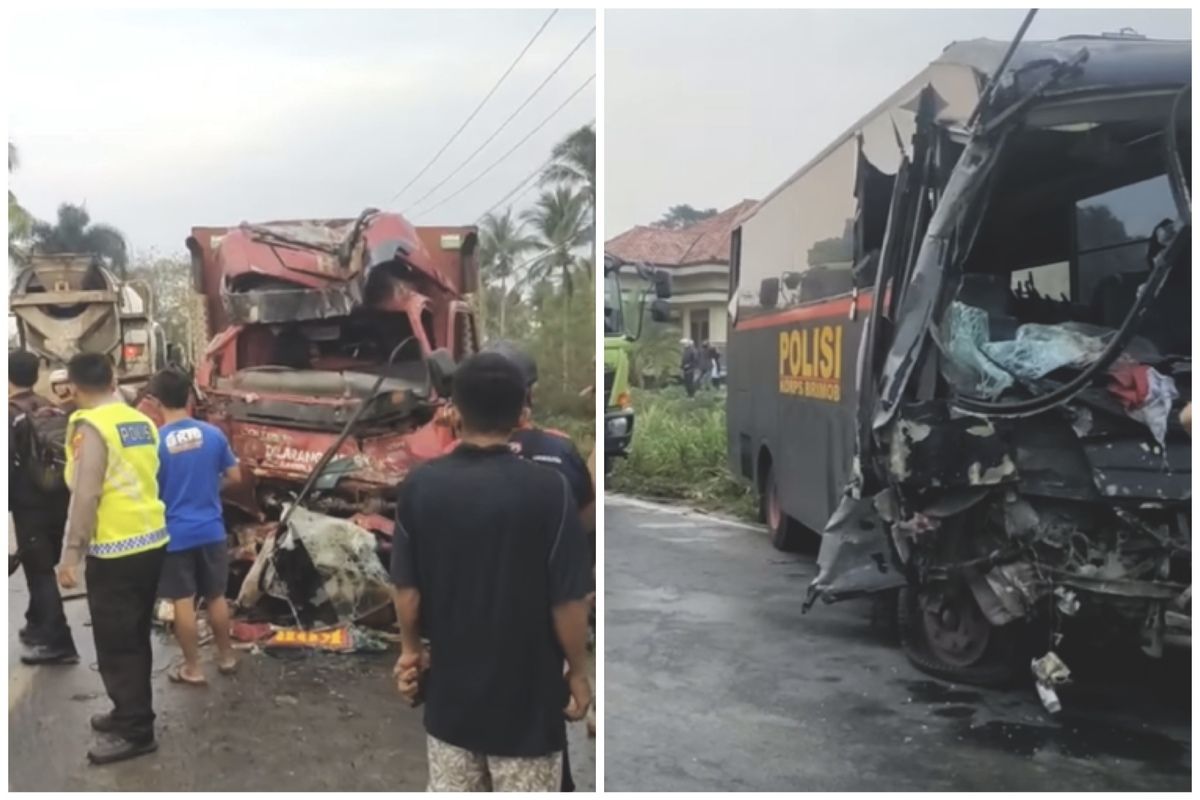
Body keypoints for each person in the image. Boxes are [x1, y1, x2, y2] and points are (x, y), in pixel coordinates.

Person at [391, 353, 592, 792]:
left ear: (455, 412)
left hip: (451, 707)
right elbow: (568, 602)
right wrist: (578, 671)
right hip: (529, 711)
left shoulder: (420, 487)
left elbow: (407, 592)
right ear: (521, 412)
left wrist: (411, 652)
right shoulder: (549, 491)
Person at [57, 352, 169, 765]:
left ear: (72, 386)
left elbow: (86, 493)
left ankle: (136, 730)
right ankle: (128, 711)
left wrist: (71, 554)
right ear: (113, 378)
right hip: (151, 541)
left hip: (116, 548)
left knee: (117, 642)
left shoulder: (92, 427)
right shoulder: (140, 421)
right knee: (135, 633)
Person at [146, 368, 239, 687]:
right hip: (211, 529)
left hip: (174, 534)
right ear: (189, 396)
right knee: (216, 596)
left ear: (155, 401)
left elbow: (150, 491)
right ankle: (226, 657)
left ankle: (193, 668)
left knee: (182, 600)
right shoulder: (212, 434)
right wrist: (211, 490)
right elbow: (235, 477)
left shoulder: (154, 444)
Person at [9, 351, 79, 665]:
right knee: (42, 563)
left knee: (39, 572)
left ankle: (58, 641)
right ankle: (36, 624)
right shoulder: (47, 407)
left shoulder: (11, 414)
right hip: (58, 497)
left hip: (29, 504)